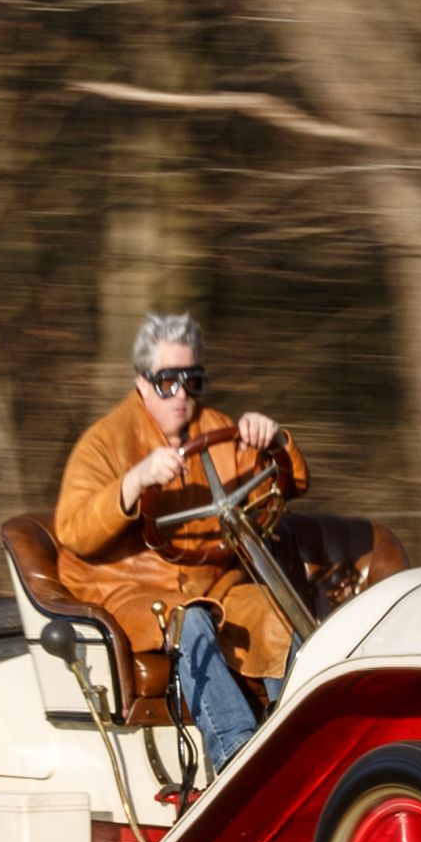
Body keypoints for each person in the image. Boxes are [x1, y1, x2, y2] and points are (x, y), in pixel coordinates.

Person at [54, 312, 309, 770]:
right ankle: (236, 755)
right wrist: (132, 483)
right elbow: (72, 530)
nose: (181, 396)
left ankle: (303, 740)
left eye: (192, 381)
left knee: (276, 610)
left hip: (216, 584)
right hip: (132, 593)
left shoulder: (220, 430)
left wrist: (274, 441)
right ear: (141, 382)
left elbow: (288, 485)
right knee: (188, 621)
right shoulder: (103, 443)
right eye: (167, 382)